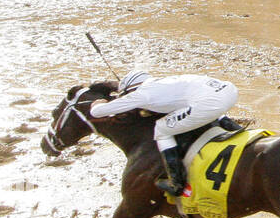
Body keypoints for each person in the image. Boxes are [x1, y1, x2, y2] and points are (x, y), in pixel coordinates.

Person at [88, 70, 240, 197]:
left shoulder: (141, 94)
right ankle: (236, 130)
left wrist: (99, 102)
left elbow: (98, 112)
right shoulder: (165, 81)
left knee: (161, 129)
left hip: (210, 103)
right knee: (202, 106)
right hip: (230, 92)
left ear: (131, 90)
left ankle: (176, 183)